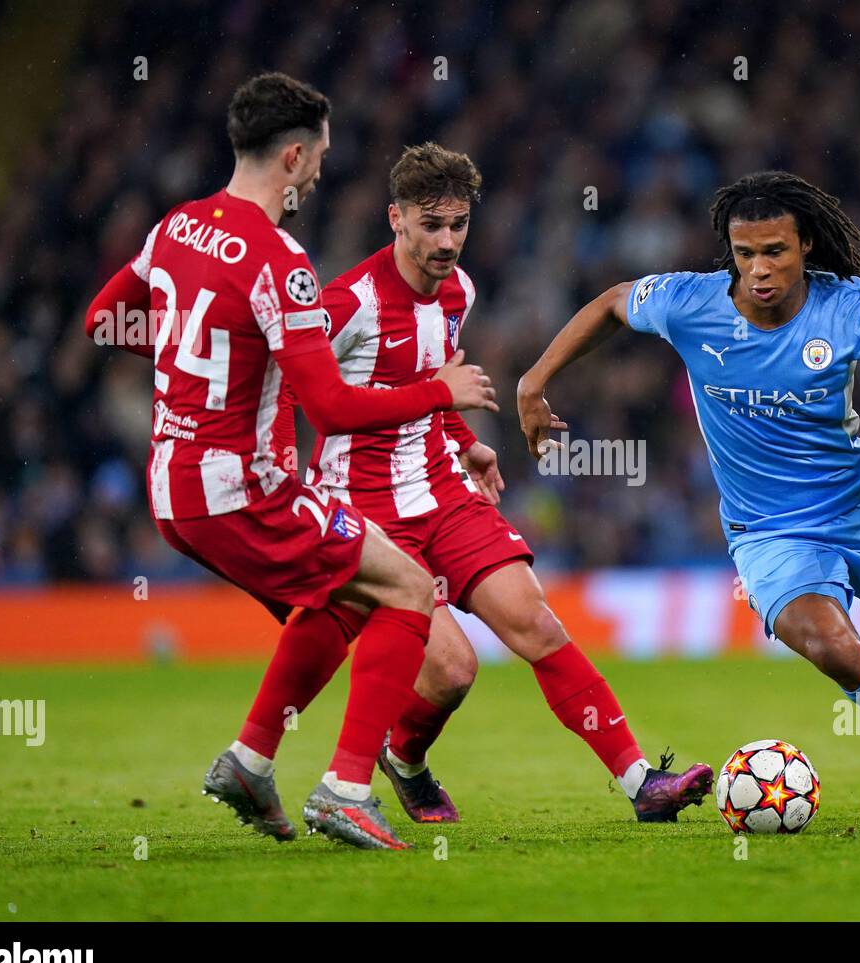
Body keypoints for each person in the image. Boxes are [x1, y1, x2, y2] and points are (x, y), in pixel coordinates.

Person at [518, 170, 860, 814]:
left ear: (806, 249)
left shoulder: (849, 306)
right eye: (745, 255)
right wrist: (533, 382)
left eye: (775, 252)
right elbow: (610, 302)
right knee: (833, 648)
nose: (758, 269)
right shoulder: (689, 302)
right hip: (769, 532)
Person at [85, 73, 498, 851]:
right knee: (406, 586)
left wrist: (193, 355)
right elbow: (334, 407)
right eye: (321, 157)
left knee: (342, 599)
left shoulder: (173, 227)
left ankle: (249, 760)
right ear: (297, 156)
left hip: (172, 489)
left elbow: (103, 319)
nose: (320, 171)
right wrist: (437, 392)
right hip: (246, 486)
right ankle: (346, 789)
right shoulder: (282, 262)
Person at [264, 142, 713, 828]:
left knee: (534, 621)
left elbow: (434, 377)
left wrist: (465, 439)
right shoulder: (346, 303)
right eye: (432, 225)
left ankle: (642, 782)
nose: (447, 242)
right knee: (452, 671)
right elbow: (306, 395)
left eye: (459, 224)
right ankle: (401, 759)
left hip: (442, 486)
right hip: (366, 505)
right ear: (396, 219)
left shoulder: (459, 293)